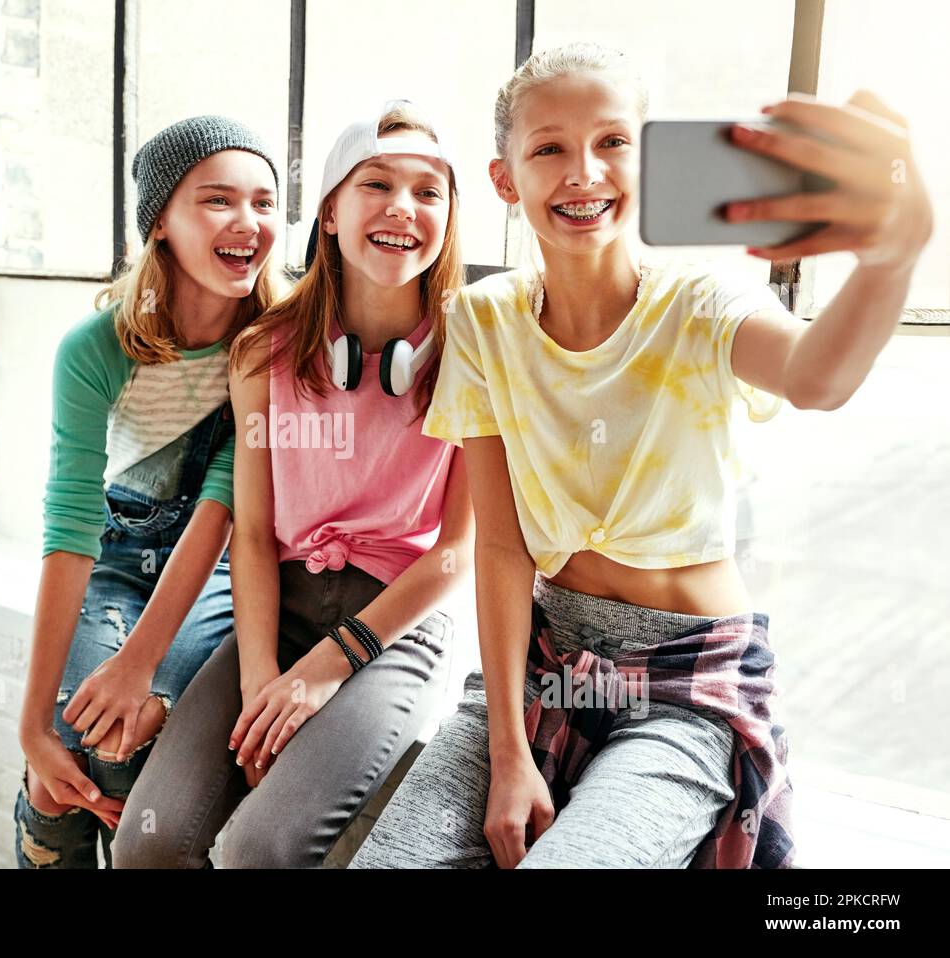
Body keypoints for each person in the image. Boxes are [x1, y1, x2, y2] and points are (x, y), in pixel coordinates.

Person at [349, 42, 933, 869]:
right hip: (547, 662)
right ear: (505, 179)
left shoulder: (701, 302)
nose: (583, 172)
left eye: (613, 142)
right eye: (549, 148)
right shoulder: (483, 320)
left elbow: (818, 377)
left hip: (687, 678)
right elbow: (506, 548)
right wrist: (510, 755)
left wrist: (890, 257)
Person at [111, 99, 475, 868]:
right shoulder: (262, 354)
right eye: (376, 183)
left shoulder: (477, 353)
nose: (402, 209)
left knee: (261, 848)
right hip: (275, 609)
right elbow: (250, 531)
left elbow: (457, 551)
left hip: (393, 624)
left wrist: (325, 669)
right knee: (151, 843)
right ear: (332, 213)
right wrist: (259, 683)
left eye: (428, 191)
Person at [13, 116, 283, 868]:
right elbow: (70, 526)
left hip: (217, 567)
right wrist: (33, 724)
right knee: (64, 747)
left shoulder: (270, 345)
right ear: (160, 221)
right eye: (218, 200)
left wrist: (139, 663)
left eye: (265, 203)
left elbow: (220, 509)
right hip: (115, 554)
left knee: (126, 739)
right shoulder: (94, 348)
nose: (248, 222)